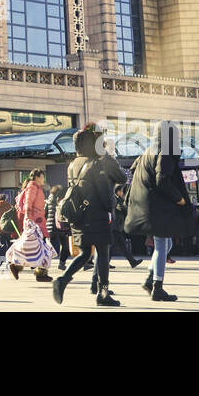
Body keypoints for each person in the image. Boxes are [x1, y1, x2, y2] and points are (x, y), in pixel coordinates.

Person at [54, 125, 127, 307]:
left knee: (85, 253)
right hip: (96, 216)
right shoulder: (96, 164)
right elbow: (106, 191)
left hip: (78, 216)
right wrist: (111, 207)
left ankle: (63, 280)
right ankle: (103, 294)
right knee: (103, 252)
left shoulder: (73, 164)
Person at [124, 120, 189, 302]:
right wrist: (179, 198)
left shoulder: (148, 151)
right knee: (161, 245)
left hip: (148, 204)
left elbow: (134, 169)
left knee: (167, 244)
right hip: (157, 206)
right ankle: (157, 287)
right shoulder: (165, 151)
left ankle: (149, 280)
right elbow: (162, 180)